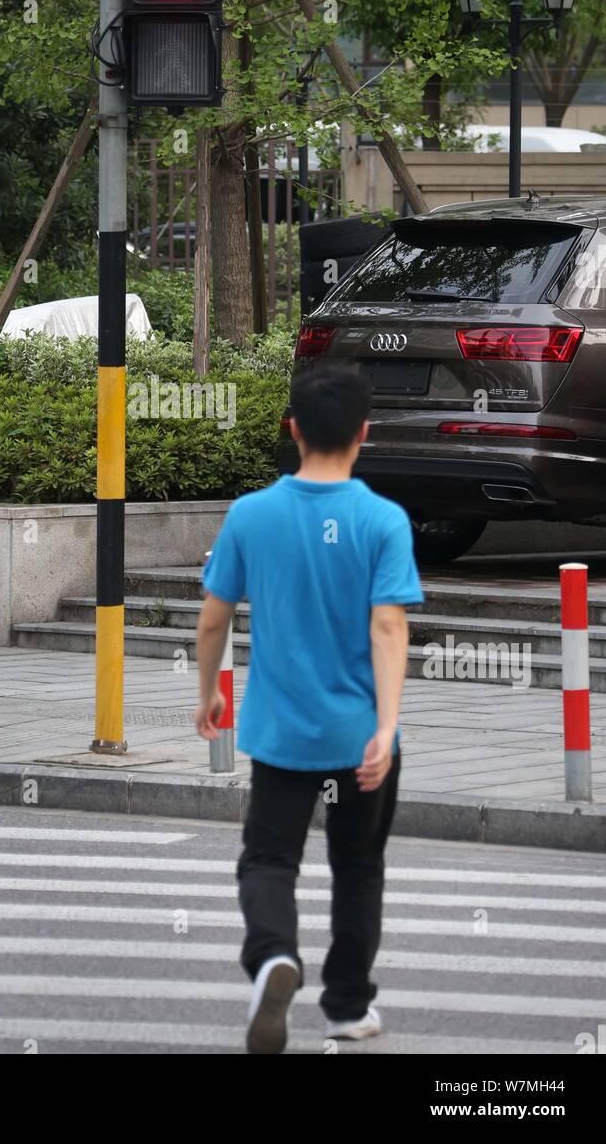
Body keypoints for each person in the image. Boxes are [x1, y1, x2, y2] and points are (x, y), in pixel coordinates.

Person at [194, 362, 423, 1054]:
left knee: (268, 860)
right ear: (364, 434)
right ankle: (348, 1008)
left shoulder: (250, 515)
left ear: (291, 429)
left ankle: (273, 956)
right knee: (358, 869)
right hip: (360, 737)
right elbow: (389, 626)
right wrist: (384, 727)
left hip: (282, 735)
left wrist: (209, 689)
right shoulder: (383, 520)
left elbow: (212, 619)